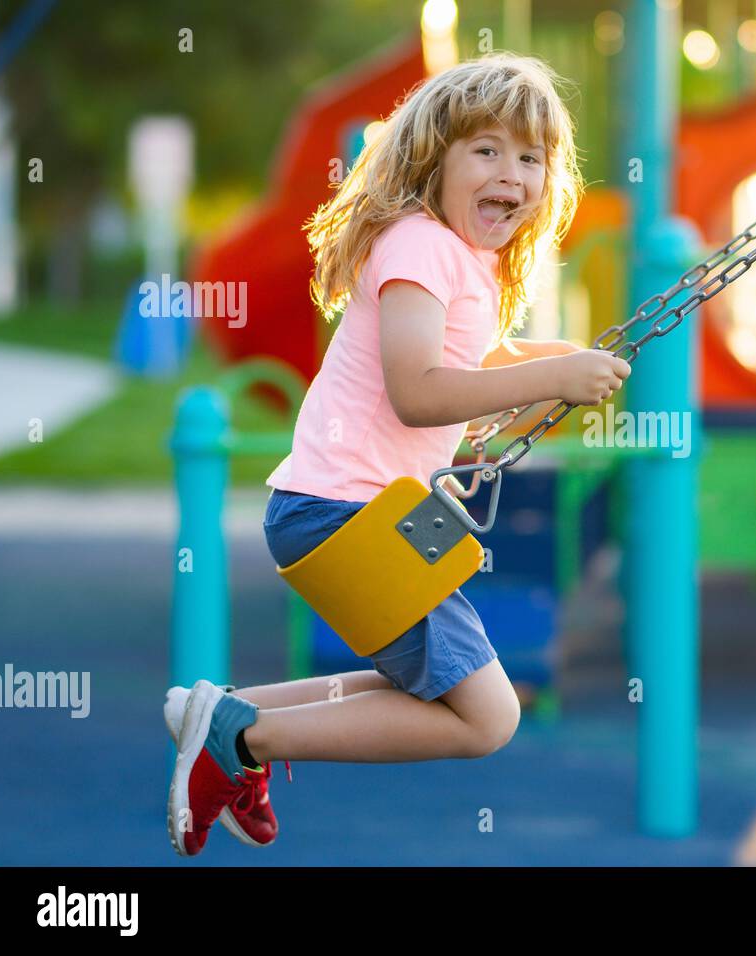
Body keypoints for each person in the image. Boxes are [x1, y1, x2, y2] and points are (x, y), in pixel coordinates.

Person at [166, 53, 630, 857]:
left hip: (361, 511)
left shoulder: (462, 261)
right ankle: (241, 745)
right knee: (488, 715)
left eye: (530, 157)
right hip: (347, 512)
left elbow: (462, 360)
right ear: (432, 159)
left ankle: (225, 711)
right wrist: (553, 373)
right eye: (486, 149)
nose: (511, 174)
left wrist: (547, 363)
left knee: (422, 684)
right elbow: (418, 388)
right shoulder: (419, 246)